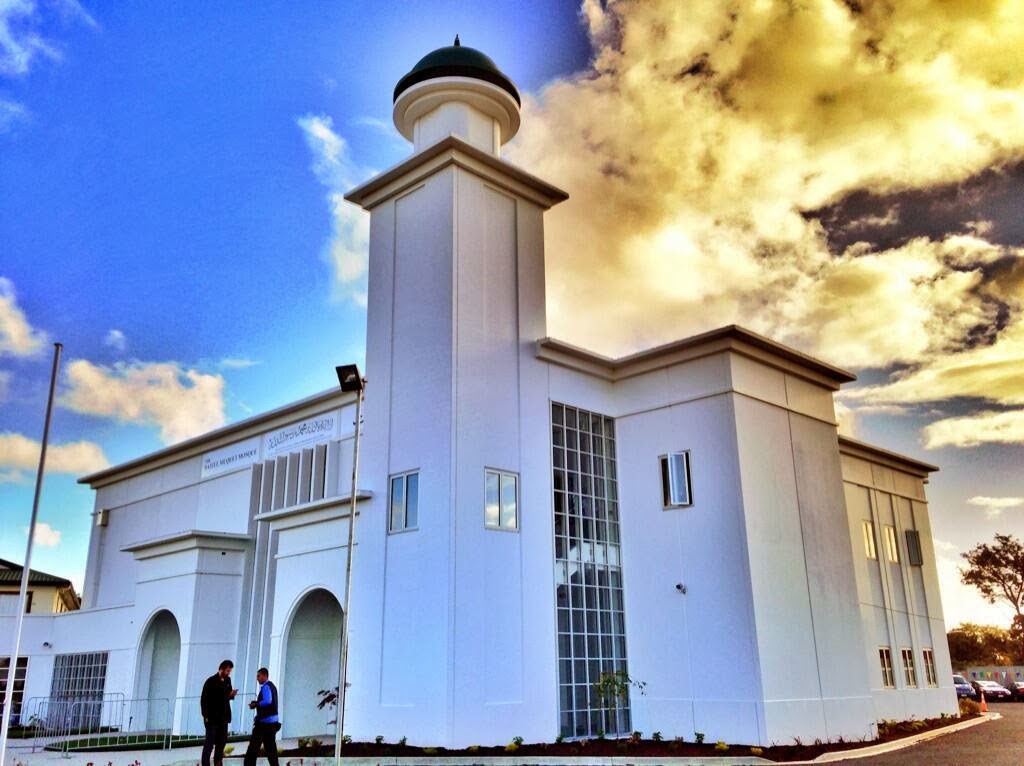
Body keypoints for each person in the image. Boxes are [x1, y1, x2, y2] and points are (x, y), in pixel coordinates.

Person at [200, 660, 237, 766]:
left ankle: (218, 762)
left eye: (230, 671)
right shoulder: (211, 681)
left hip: (224, 716)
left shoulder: (228, 680)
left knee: (222, 741)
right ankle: (205, 763)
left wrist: (231, 694)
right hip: (212, 717)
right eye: (227, 671)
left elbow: (227, 695)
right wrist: (205, 715)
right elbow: (204, 699)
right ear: (221, 669)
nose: (228, 673)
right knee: (210, 743)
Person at [243, 667, 280, 766]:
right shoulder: (272, 686)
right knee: (271, 750)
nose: (257, 678)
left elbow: (268, 701)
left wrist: (256, 704)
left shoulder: (266, 687)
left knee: (253, 749)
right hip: (272, 723)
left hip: (264, 724)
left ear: (264, 675)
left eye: (258, 676)